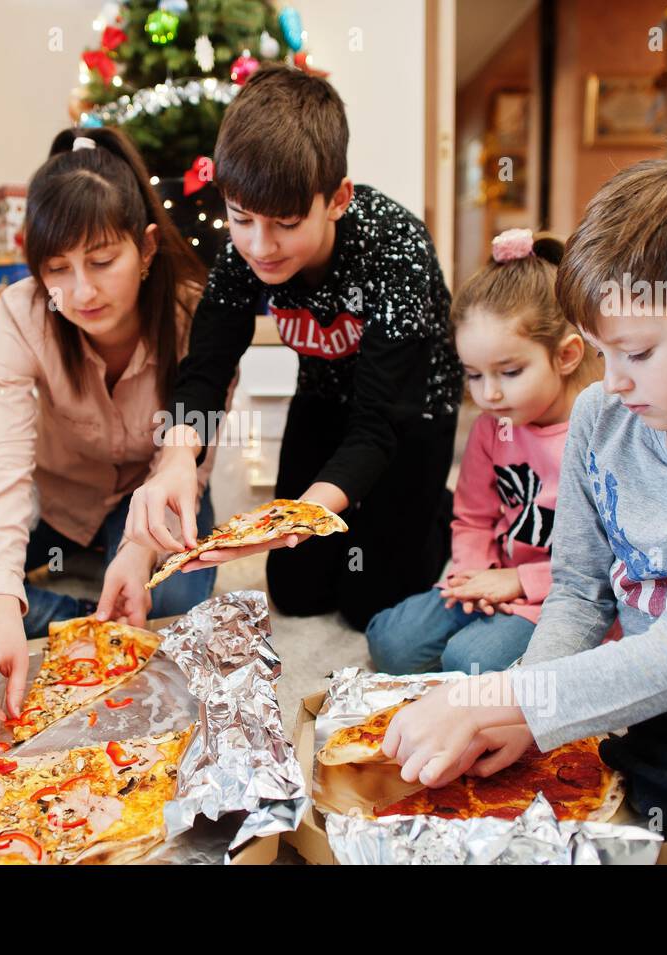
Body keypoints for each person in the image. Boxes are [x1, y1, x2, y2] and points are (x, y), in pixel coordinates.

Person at [380, 147, 667, 864]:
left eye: (635, 351)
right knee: (658, 808)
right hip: (664, 700)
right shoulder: (602, 416)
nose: (613, 381)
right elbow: (577, 590)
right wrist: (533, 710)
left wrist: (506, 699)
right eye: (602, 353)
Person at [124, 64, 463, 631]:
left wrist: (304, 514)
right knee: (296, 591)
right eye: (241, 218)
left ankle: (439, 511)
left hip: (408, 415)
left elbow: (379, 427)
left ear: (337, 199)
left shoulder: (396, 248)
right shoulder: (244, 254)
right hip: (325, 397)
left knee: (369, 607)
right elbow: (206, 369)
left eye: (285, 222)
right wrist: (178, 455)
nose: (261, 245)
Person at [0, 127, 216, 723]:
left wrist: (137, 552)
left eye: (104, 261)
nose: (80, 291)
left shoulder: (194, 311)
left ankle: (83, 590)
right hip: (56, 497)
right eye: (57, 268)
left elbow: (187, 455)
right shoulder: (22, 312)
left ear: (147, 248)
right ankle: (41, 611)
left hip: (147, 495)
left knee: (179, 597)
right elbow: (0, 463)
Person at [366, 229, 596, 675]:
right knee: (390, 642)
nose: (488, 394)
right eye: (473, 375)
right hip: (494, 576)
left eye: (509, 372)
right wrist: (471, 575)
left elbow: (609, 561)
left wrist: (519, 582)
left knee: (469, 659)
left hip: (564, 594)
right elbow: (472, 517)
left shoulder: (601, 432)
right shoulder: (493, 428)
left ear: (566, 356)